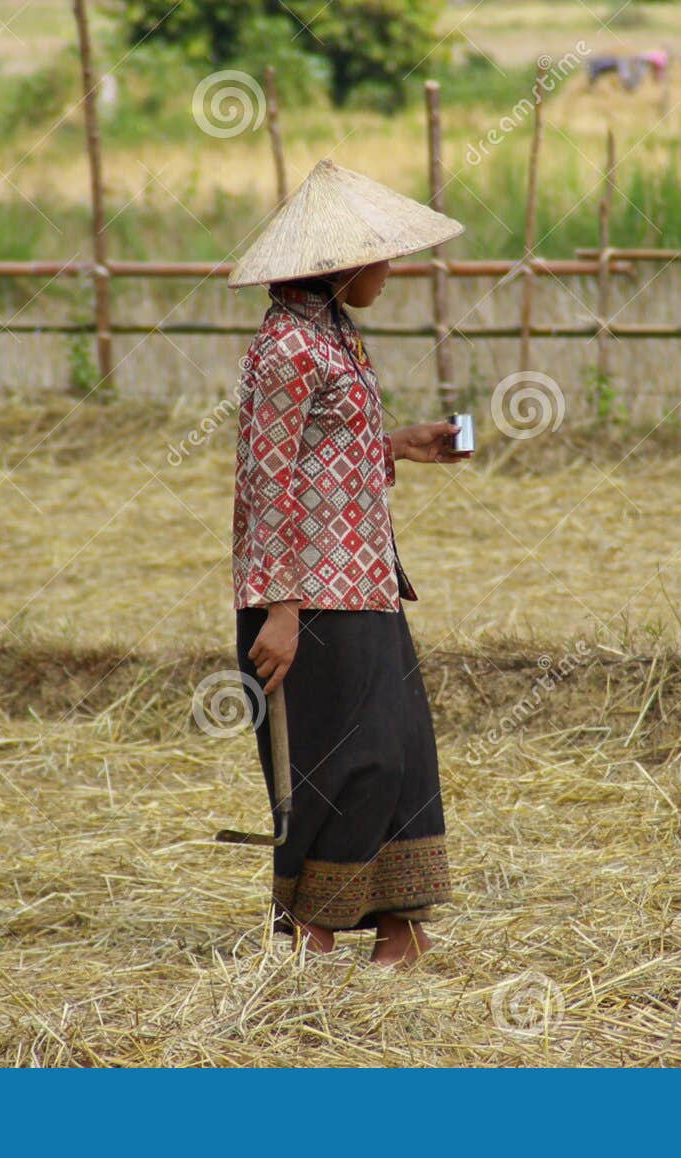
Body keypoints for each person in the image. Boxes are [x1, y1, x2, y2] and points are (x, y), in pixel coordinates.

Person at [228, 160, 469, 967]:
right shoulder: (288, 348)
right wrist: (281, 607)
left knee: (399, 751)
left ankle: (400, 931)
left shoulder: (333, 332)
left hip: (366, 579)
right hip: (311, 593)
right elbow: (270, 476)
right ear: (337, 263)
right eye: (382, 256)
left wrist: (400, 444)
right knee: (342, 759)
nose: (391, 272)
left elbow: (325, 449)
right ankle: (312, 937)